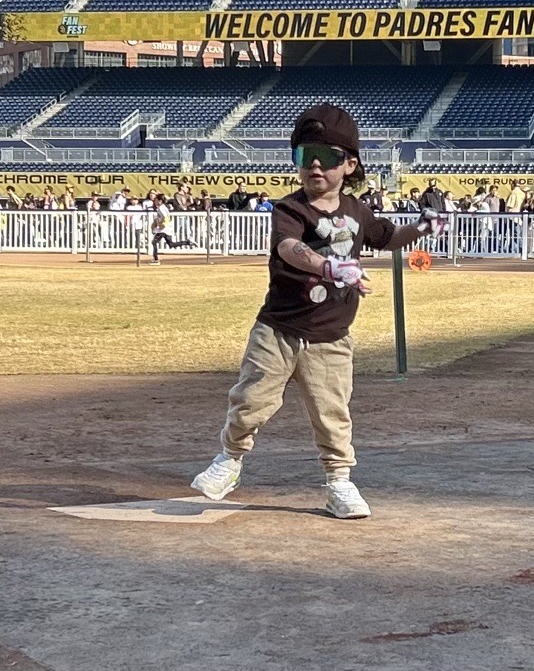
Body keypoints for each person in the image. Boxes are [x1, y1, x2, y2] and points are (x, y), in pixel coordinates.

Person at [190, 103, 442, 519]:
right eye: (305, 156)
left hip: (331, 336)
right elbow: (289, 248)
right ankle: (229, 461)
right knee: (251, 400)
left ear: (350, 165)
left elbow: (388, 237)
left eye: (327, 157)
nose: (316, 166)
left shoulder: (357, 211)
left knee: (332, 413)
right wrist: (329, 267)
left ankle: (339, 482)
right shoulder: (291, 209)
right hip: (278, 329)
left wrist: (423, 228)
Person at [148, 192, 195, 264]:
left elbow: (166, 218)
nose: (155, 201)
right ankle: (187, 242)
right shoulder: (164, 207)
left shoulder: (161, 208)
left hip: (163, 230)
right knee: (171, 244)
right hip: (167, 229)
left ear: (160, 201)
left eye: (156, 200)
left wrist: (162, 226)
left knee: (154, 242)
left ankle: (156, 259)